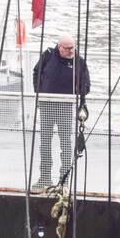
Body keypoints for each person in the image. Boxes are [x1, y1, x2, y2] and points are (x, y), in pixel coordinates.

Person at [31, 33, 90, 188]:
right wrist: (40, 92)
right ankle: (44, 178)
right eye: (67, 48)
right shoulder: (48, 56)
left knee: (65, 144)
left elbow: (86, 86)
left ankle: (64, 180)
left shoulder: (80, 62)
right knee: (45, 143)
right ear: (59, 47)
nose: (71, 51)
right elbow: (36, 72)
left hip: (65, 107)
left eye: (73, 48)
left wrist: (77, 95)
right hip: (47, 106)